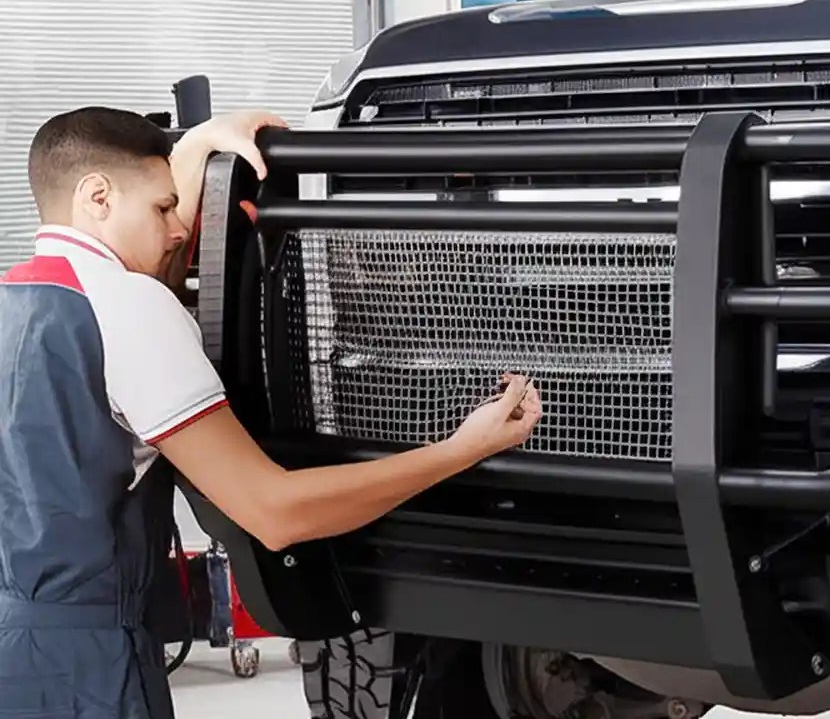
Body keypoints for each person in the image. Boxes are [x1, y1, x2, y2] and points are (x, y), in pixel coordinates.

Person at [0, 106, 542, 718]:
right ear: (97, 196)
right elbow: (276, 512)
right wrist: (462, 448)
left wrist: (204, 142)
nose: (180, 231)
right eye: (160, 208)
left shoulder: (18, 301)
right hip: (90, 670)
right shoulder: (128, 308)